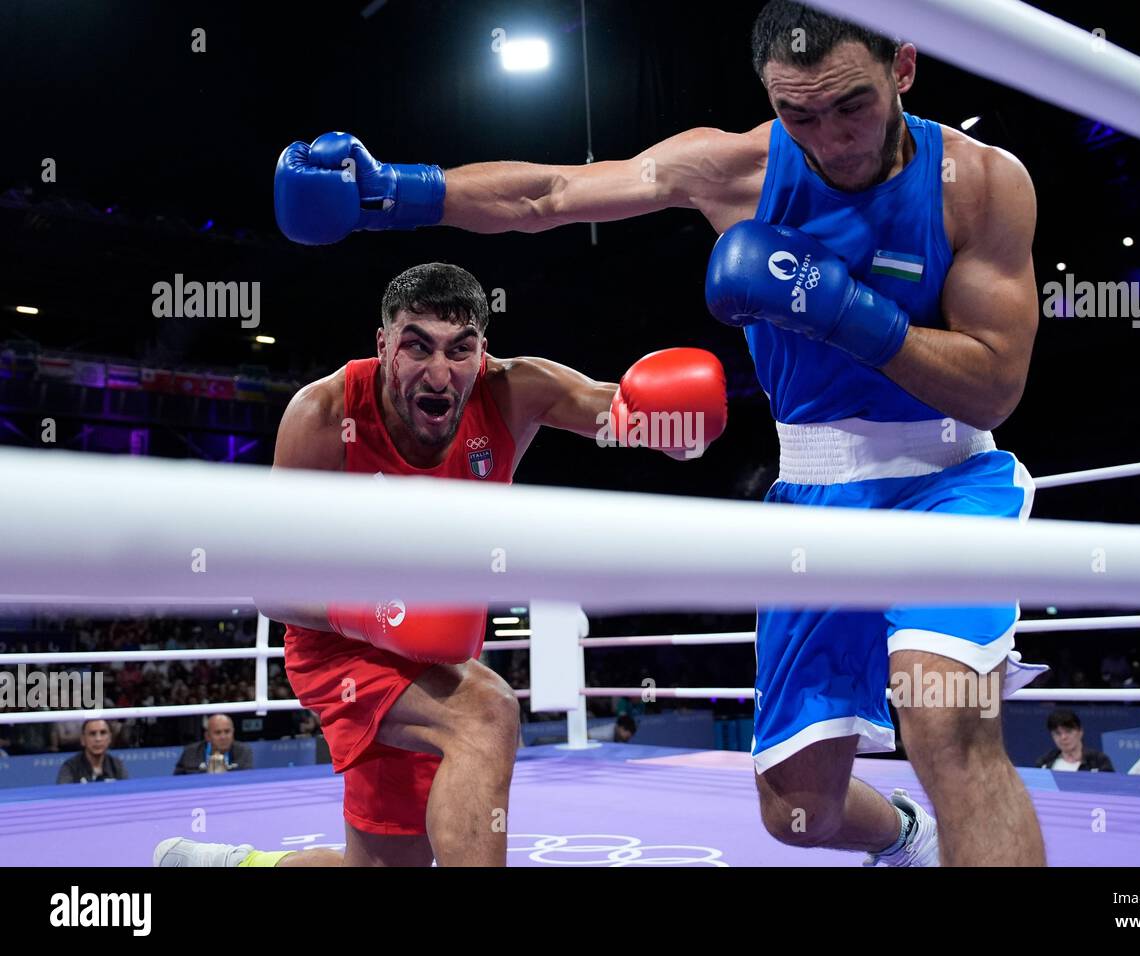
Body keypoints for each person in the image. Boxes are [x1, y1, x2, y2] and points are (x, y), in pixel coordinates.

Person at [272, 0, 1043, 866]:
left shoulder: (979, 182)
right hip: (816, 500)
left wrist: (848, 313)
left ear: (903, 68)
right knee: (799, 810)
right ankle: (905, 834)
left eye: (851, 105)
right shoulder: (739, 168)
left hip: (946, 474)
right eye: (798, 112)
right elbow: (551, 193)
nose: (829, 138)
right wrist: (395, 193)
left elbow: (996, 387)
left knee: (945, 721)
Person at [153, 261, 727, 868]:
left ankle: (229, 865)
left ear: (483, 353)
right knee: (487, 712)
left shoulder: (512, 391)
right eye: (416, 346)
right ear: (382, 346)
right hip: (340, 647)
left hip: (435, 649)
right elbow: (266, 584)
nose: (438, 372)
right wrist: (371, 615)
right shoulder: (322, 416)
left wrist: (668, 423)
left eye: (460, 350)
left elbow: (614, 408)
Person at [1033, 708, 1114, 772]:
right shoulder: (1044, 762)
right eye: (1057, 733)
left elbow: (1110, 789)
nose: (1063, 737)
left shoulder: (1098, 761)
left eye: (1068, 731)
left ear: (1080, 732)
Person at [174, 714, 254, 774]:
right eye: (218, 733)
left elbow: (247, 780)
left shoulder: (243, 751)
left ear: (233, 732)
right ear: (207, 736)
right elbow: (177, 781)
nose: (223, 737)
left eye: (227, 731)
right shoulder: (191, 752)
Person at [56, 719, 127, 784]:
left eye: (103, 733)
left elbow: (127, 793)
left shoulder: (116, 765)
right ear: (83, 739)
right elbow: (63, 795)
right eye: (92, 734)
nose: (98, 739)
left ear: (110, 738)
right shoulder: (70, 767)